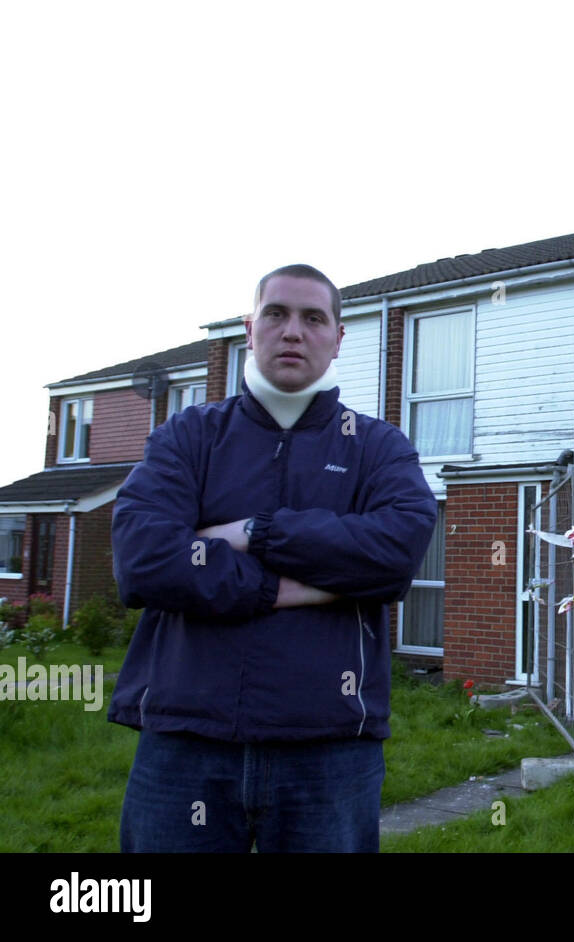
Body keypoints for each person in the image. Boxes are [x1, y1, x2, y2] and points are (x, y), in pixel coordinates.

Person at [107, 263, 438, 853]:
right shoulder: (188, 436)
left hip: (330, 750)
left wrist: (253, 532)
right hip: (185, 744)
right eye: (276, 314)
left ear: (338, 338)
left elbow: (393, 554)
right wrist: (284, 586)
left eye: (313, 318)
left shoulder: (379, 448)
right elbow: (143, 558)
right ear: (249, 329)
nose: (292, 331)